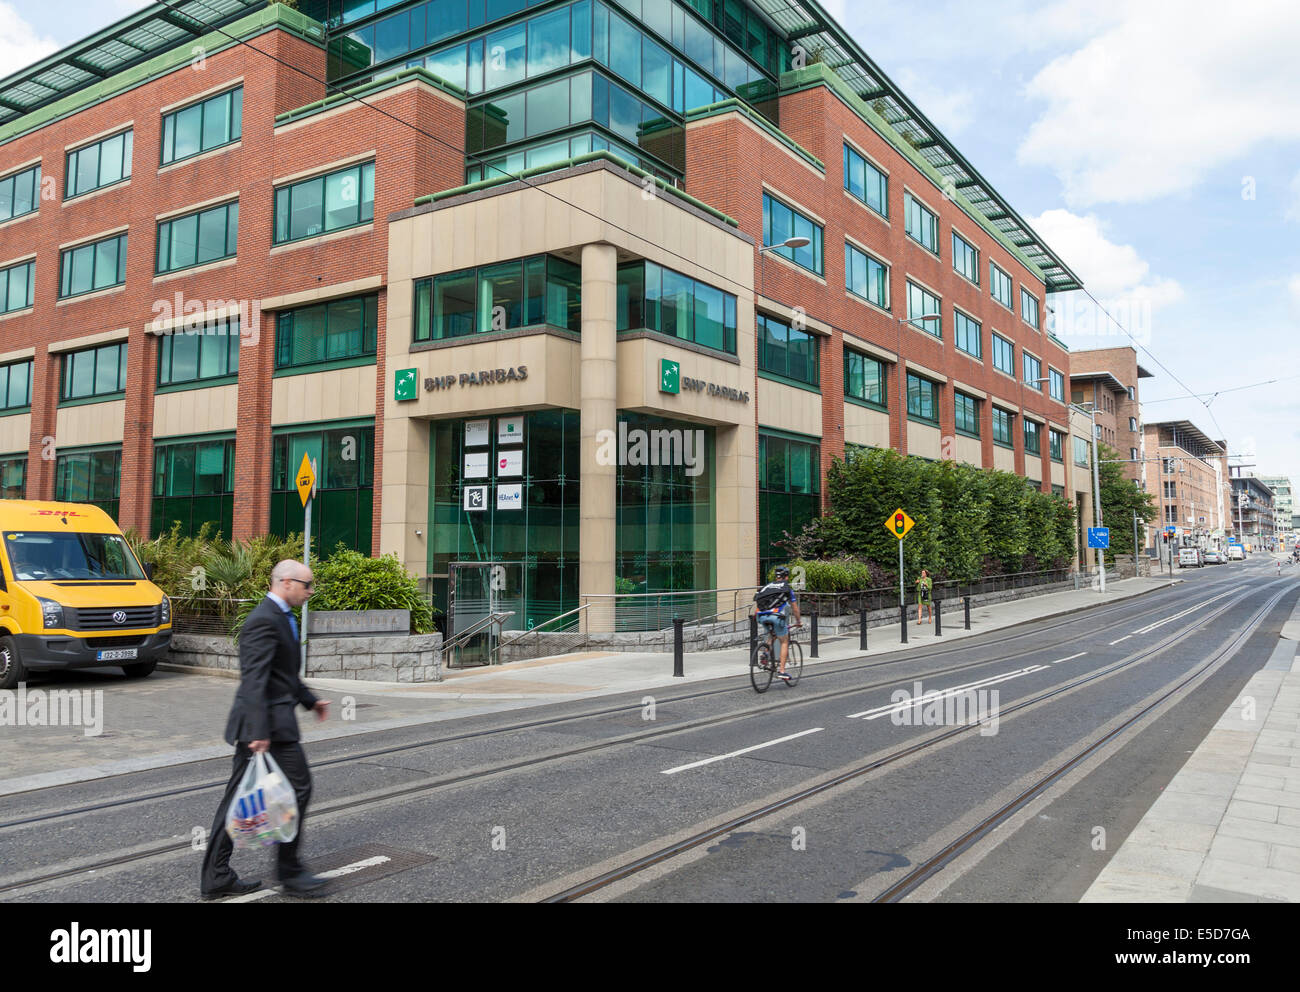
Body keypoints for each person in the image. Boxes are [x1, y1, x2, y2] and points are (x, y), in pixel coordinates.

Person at [200, 560, 330, 899]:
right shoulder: (262, 620)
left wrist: (310, 700)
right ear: (287, 582)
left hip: (268, 724)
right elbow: (254, 679)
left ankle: (216, 876)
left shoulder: (282, 617)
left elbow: (282, 673)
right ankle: (289, 872)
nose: (310, 591)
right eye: (307, 584)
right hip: (265, 728)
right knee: (299, 788)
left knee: (237, 801)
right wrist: (258, 731)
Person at [753, 566, 802, 684]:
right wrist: (798, 621)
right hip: (776, 616)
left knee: (772, 635)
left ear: (776, 576)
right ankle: (782, 671)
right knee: (784, 641)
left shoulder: (767, 586)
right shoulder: (787, 588)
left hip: (761, 616)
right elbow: (795, 608)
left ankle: (765, 653)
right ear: (787, 576)